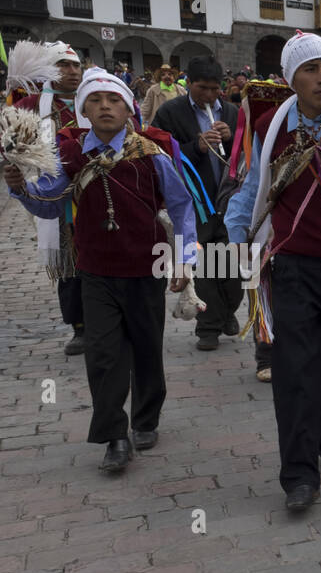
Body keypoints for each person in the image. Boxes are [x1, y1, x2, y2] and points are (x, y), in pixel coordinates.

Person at [5, 69, 197, 473]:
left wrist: (185, 258)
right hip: (94, 272)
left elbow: (181, 207)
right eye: (96, 100)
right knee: (104, 355)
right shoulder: (70, 155)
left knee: (147, 349)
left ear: (129, 107)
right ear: (83, 109)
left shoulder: (152, 153)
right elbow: (49, 204)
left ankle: (147, 418)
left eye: (114, 100)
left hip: (146, 270)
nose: (105, 106)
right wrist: (21, 187)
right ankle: (114, 435)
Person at [225, 31, 321, 513]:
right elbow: (251, 189)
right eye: (311, 70)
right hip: (290, 265)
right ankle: (299, 474)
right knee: (295, 369)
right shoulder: (271, 126)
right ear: (292, 79)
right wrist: (236, 239)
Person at [152, 57, 242, 352]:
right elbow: (158, 153)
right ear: (187, 83)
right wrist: (195, 147)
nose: (208, 95)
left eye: (214, 89)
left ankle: (227, 312)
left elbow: (246, 156)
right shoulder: (170, 112)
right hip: (194, 205)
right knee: (205, 267)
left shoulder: (231, 111)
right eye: (202, 88)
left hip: (228, 202)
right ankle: (209, 328)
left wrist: (234, 139)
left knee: (229, 269)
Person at [14, 41, 85, 356]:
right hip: (57, 194)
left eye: (75, 65)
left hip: (97, 190)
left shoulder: (97, 97)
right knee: (69, 260)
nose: (72, 72)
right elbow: (10, 144)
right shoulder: (32, 104)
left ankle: (107, 319)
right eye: (63, 65)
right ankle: (80, 327)